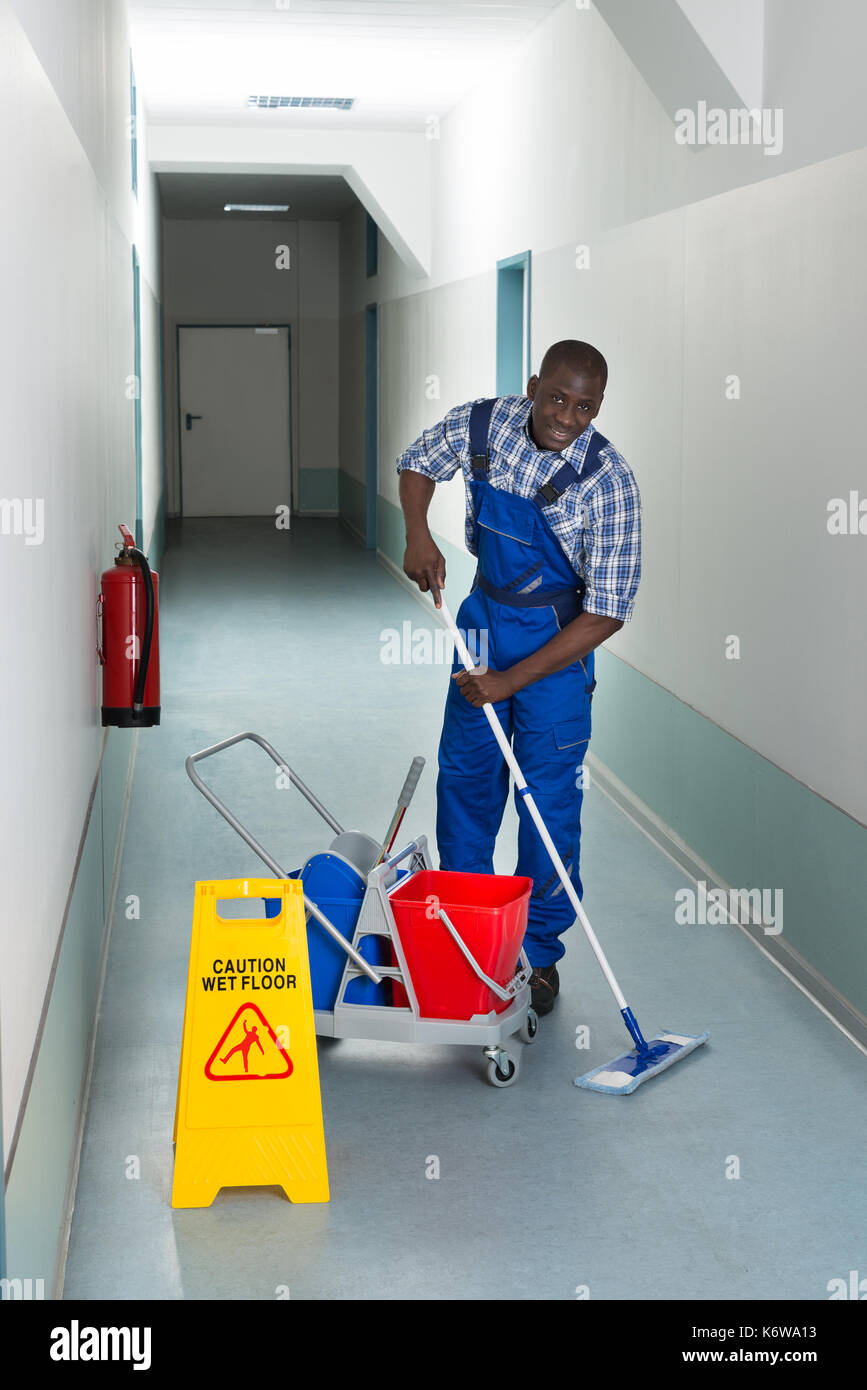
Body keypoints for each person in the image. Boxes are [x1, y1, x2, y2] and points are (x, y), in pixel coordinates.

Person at [395, 340, 641, 1016]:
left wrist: (509, 682)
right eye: (557, 397)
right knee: (468, 784)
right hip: (481, 619)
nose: (566, 416)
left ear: (597, 407)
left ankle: (535, 957)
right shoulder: (483, 425)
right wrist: (418, 532)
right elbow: (418, 463)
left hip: (558, 646)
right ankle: (470, 937)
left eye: (584, 406)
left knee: (545, 805)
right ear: (534, 385)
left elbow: (607, 612)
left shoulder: (608, 483)